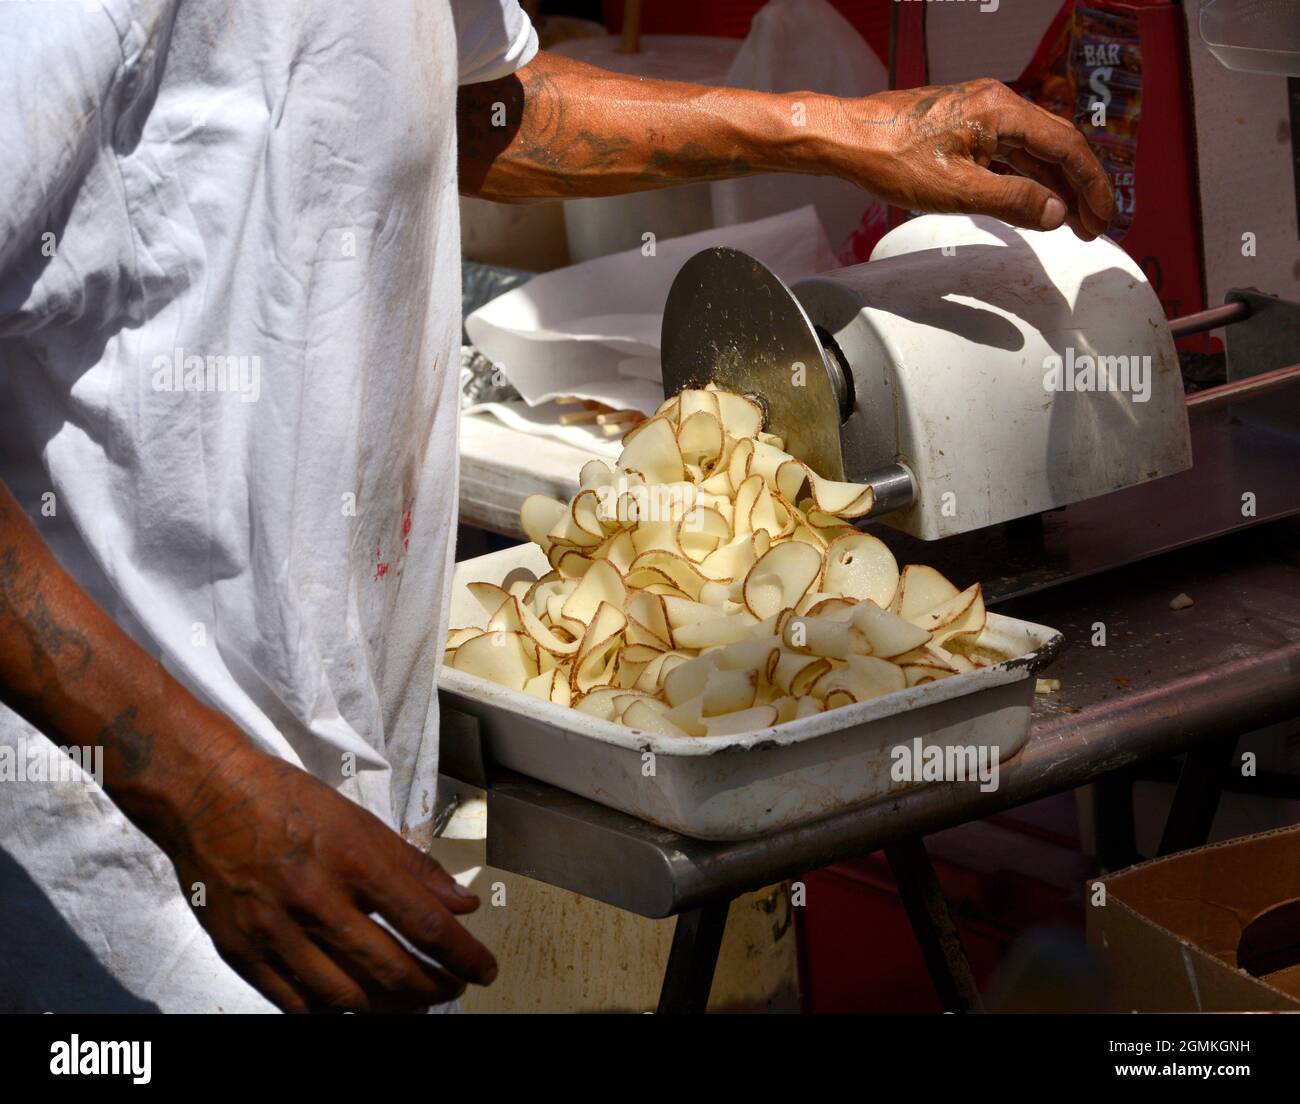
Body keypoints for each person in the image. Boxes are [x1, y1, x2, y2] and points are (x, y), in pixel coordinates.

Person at [0, 0, 1113, 1014]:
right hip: (126, 870)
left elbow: (475, 108)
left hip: (343, 818)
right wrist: (204, 792)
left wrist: (828, 128)